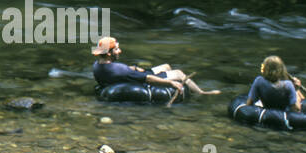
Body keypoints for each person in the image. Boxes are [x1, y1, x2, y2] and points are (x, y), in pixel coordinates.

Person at [91, 36, 220, 104]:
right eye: (117, 49)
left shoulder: (97, 65)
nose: (120, 51)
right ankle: (202, 93)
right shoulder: (119, 69)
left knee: (166, 66)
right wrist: (171, 83)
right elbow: (148, 79)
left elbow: (121, 72)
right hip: (139, 80)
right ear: (108, 53)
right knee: (179, 73)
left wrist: (134, 68)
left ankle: (198, 91)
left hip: (130, 75)